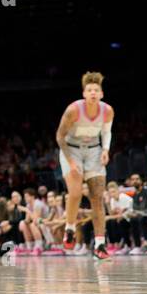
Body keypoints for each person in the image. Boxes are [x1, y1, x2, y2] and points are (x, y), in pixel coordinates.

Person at [55, 71, 115, 259]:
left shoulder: (107, 110)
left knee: (97, 197)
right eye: (89, 90)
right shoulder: (73, 110)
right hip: (71, 149)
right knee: (75, 193)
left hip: (94, 151)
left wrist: (105, 150)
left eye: (96, 90)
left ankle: (100, 245)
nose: (93, 93)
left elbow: (106, 132)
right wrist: (71, 161)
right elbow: (59, 137)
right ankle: (70, 228)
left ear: (101, 94)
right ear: (84, 94)